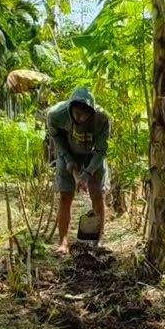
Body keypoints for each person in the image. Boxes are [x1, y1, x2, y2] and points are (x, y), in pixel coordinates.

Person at [47, 86, 112, 254]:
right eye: (76, 112)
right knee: (65, 196)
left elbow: (101, 151)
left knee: (97, 194)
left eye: (85, 114)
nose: (80, 117)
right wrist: (69, 161)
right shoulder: (56, 115)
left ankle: (98, 240)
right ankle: (63, 243)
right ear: (70, 108)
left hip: (93, 156)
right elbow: (56, 138)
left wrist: (87, 174)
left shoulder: (103, 119)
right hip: (68, 153)